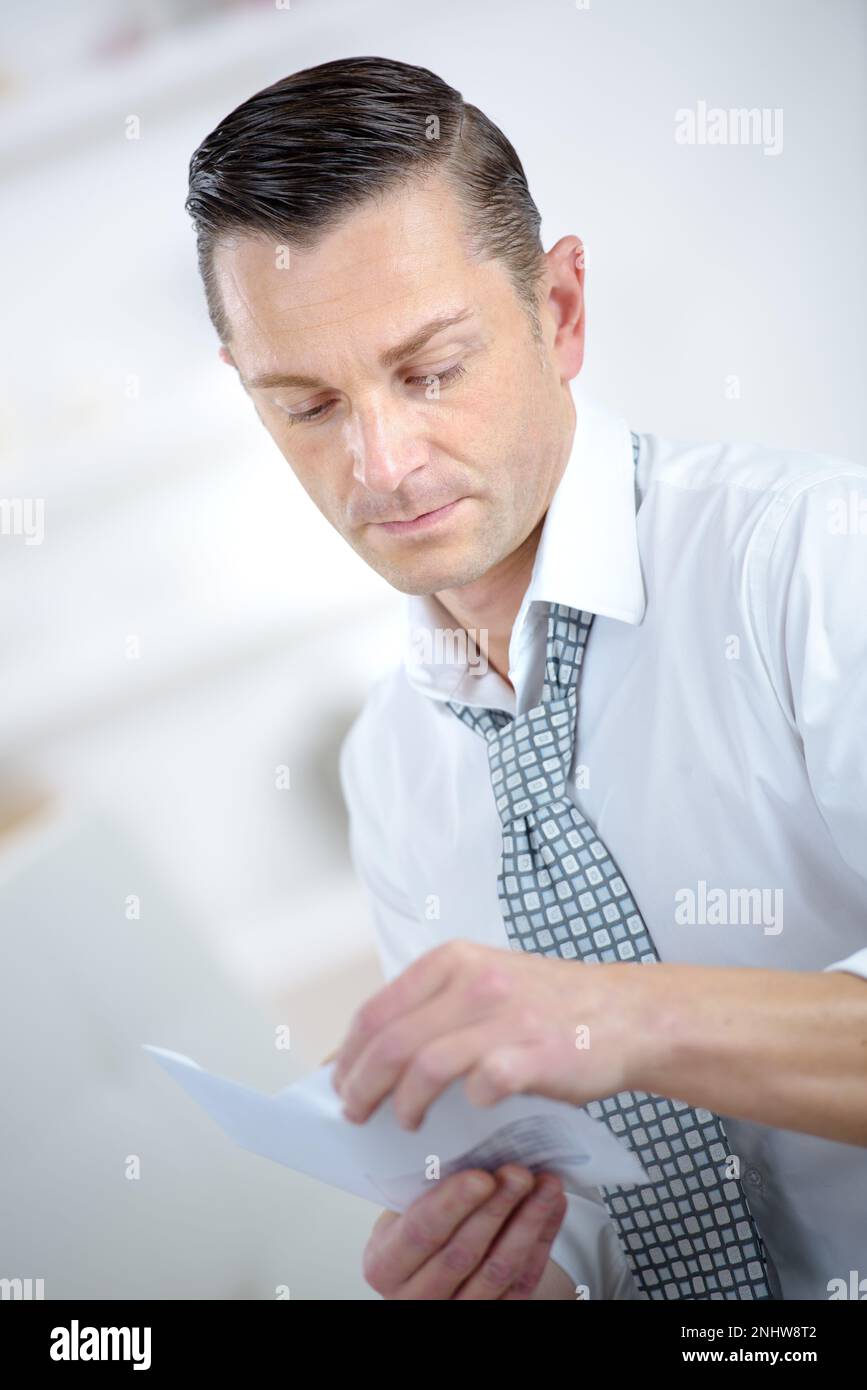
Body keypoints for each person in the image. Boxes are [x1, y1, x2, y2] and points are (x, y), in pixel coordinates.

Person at [185, 55, 867, 1301]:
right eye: (309, 405)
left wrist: (631, 1018)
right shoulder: (390, 768)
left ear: (559, 313)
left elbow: (598, 1027)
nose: (382, 464)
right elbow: (587, 1196)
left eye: (430, 369)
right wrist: (523, 1274)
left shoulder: (811, 564)